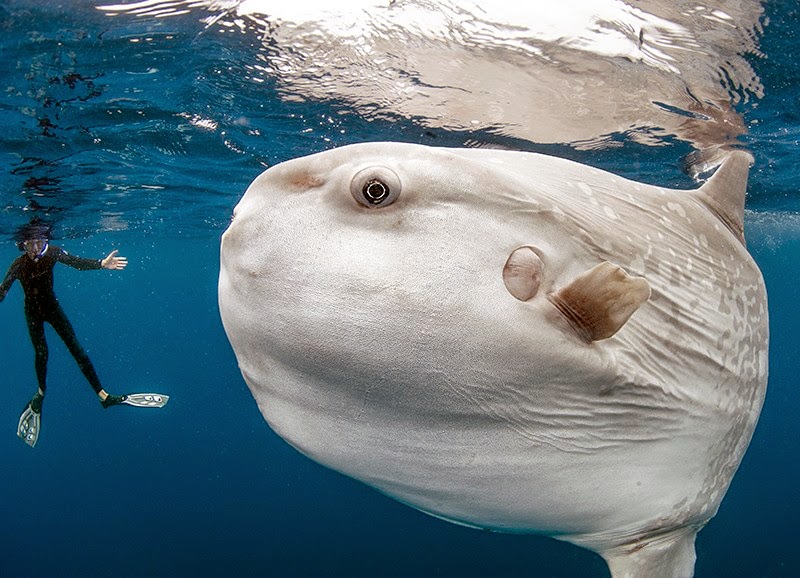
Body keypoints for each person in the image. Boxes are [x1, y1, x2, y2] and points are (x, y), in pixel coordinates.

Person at [0, 219, 168, 447]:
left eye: (40, 243)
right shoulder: (19, 265)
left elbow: (76, 262)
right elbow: (3, 291)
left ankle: (104, 396)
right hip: (33, 313)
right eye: (32, 244)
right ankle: (40, 393)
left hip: (52, 309)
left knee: (77, 350)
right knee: (41, 353)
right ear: (23, 244)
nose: (36, 249)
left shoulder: (53, 254)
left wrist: (101, 264)